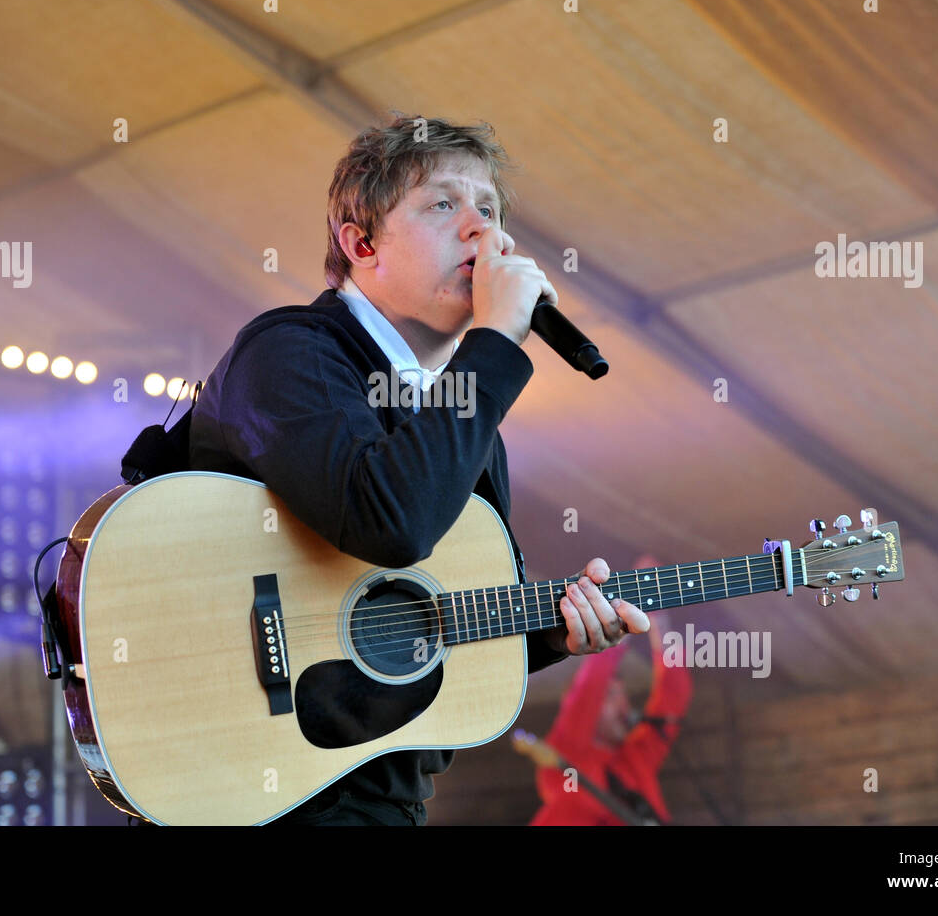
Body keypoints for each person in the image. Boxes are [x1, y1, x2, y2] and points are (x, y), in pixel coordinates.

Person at [189, 113, 649, 825]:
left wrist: (553, 629)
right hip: (252, 791)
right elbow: (390, 520)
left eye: (489, 209)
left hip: (385, 800)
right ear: (360, 242)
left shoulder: (463, 417)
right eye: (444, 205)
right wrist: (496, 337)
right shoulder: (289, 354)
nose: (483, 231)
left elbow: (434, 618)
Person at [530, 595, 693, 826]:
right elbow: (591, 685)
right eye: (610, 696)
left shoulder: (635, 758)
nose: (623, 705)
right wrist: (620, 621)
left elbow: (673, 696)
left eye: (623, 695)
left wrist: (659, 621)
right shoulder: (567, 754)